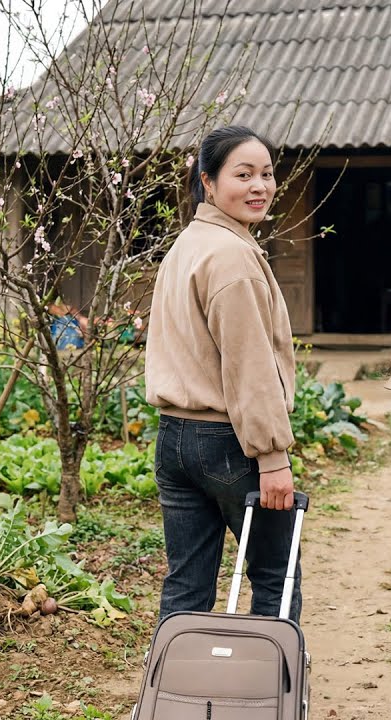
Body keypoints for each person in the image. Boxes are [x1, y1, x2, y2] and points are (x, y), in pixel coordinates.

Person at [144, 125, 302, 622]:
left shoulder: (188, 244)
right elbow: (248, 364)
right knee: (276, 575)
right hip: (228, 443)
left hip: (174, 439)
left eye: (267, 174)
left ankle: (176, 698)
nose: (260, 186)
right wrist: (272, 456)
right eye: (243, 174)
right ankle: (269, 695)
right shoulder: (232, 255)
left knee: (187, 589)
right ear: (207, 181)